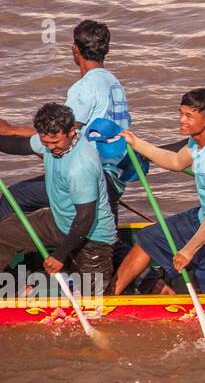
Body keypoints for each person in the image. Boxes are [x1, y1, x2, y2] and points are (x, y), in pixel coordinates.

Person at [112, 89, 205, 294]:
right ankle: (111, 296)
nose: (181, 120)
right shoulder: (204, 137)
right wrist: (137, 143)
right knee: (149, 238)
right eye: (181, 113)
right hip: (204, 217)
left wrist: (188, 250)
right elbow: (176, 161)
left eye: (189, 116)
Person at [0, 19, 131, 222]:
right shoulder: (114, 83)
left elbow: (60, 134)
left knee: (13, 197)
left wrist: (9, 130)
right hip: (115, 176)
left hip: (92, 176)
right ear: (106, 49)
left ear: (75, 49)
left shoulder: (85, 87)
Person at [0, 103, 117, 287]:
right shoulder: (50, 137)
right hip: (59, 220)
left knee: (92, 297)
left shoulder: (80, 166)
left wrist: (60, 255)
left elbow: (86, 217)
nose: (50, 148)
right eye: (45, 143)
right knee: (4, 232)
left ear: (71, 131)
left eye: (55, 143)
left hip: (91, 237)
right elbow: (20, 146)